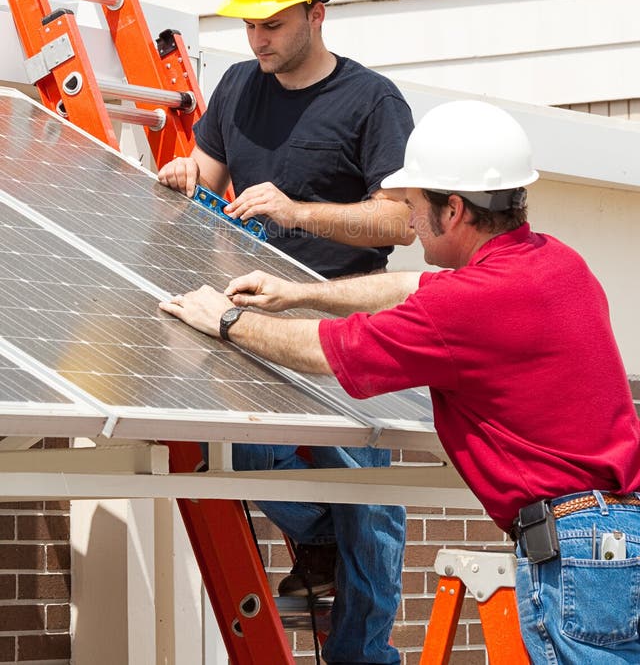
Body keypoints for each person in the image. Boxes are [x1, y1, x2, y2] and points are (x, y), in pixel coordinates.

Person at [161, 99, 640, 665]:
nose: (408, 220)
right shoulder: (556, 263)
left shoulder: (468, 306)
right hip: (615, 536)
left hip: (578, 552)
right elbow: (414, 285)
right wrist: (301, 291)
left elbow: (327, 350)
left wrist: (227, 320)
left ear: (454, 209)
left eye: (412, 204)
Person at [158, 0, 415, 665]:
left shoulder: (372, 102)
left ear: (317, 12)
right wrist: (186, 180)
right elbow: (204, 183)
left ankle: (362, 655)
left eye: (272, 24)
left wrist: (300, 211)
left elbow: (400, 219)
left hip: (343, 320)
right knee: (247, 457)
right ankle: (318, 539)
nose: (257, 38)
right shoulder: (238, 87)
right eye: (249, 24)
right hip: (254, 311)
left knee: (367, 496)